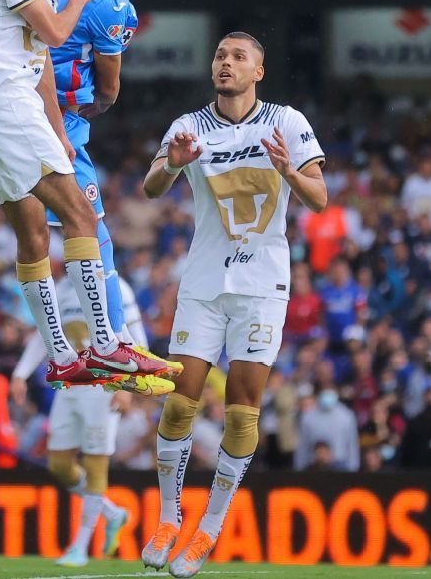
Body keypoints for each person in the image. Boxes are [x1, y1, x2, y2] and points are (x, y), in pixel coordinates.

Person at [0, 0, 177, 391]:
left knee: (34, 236)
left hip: (5, 105)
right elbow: (66, 42)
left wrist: (56, 125)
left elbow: (39, 56)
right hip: (13, 107)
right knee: (85, 221)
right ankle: (109, 347)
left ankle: (62, 356)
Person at [139, 32, 327, 578]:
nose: (225, 63)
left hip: (264, 284)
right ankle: (169, 516)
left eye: (237, 57)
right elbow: (153, 188)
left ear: (259, 71)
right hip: (202, 282)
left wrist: (290, 170)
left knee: (243, 411)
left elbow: (319, 196)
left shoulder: (286, 122)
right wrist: (172, 166)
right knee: (180, 404)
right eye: (220, 56)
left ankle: (209, 529)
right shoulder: (188, 125)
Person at [45, 0, 141, 357]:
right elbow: (109, 88)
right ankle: (112, 342)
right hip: (56, 124)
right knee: (92, 231)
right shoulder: (111, 6)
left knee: (45, 235)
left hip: (32, 115)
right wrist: (86, 111)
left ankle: (72, 349)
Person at [11, 278, 158, 567]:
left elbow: (136, 337)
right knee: (59, 465)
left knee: (95, 464)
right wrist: (20, 372)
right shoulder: (61, 289)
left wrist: (132, 382)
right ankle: (113, 513)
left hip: (104, 385)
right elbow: (47, 334)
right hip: (69, 385)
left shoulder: (115, 286)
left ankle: (80, 546)